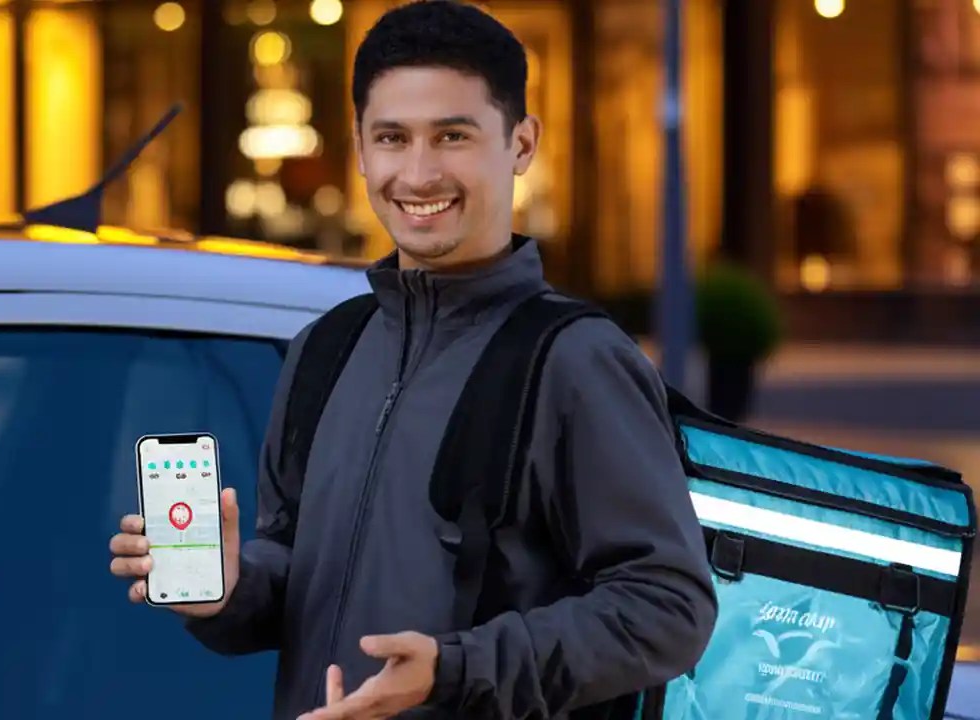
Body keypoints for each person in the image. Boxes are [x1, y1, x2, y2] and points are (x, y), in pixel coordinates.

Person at [110, 1, 717, 717]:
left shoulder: (575, 361)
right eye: (392, 138)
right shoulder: (327, 347)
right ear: (362, 151)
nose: (419, 174)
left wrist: (452, 669)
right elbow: (296, 574)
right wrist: (228, 588)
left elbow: (668, 606)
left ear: (521, 144)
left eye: (453, 136)